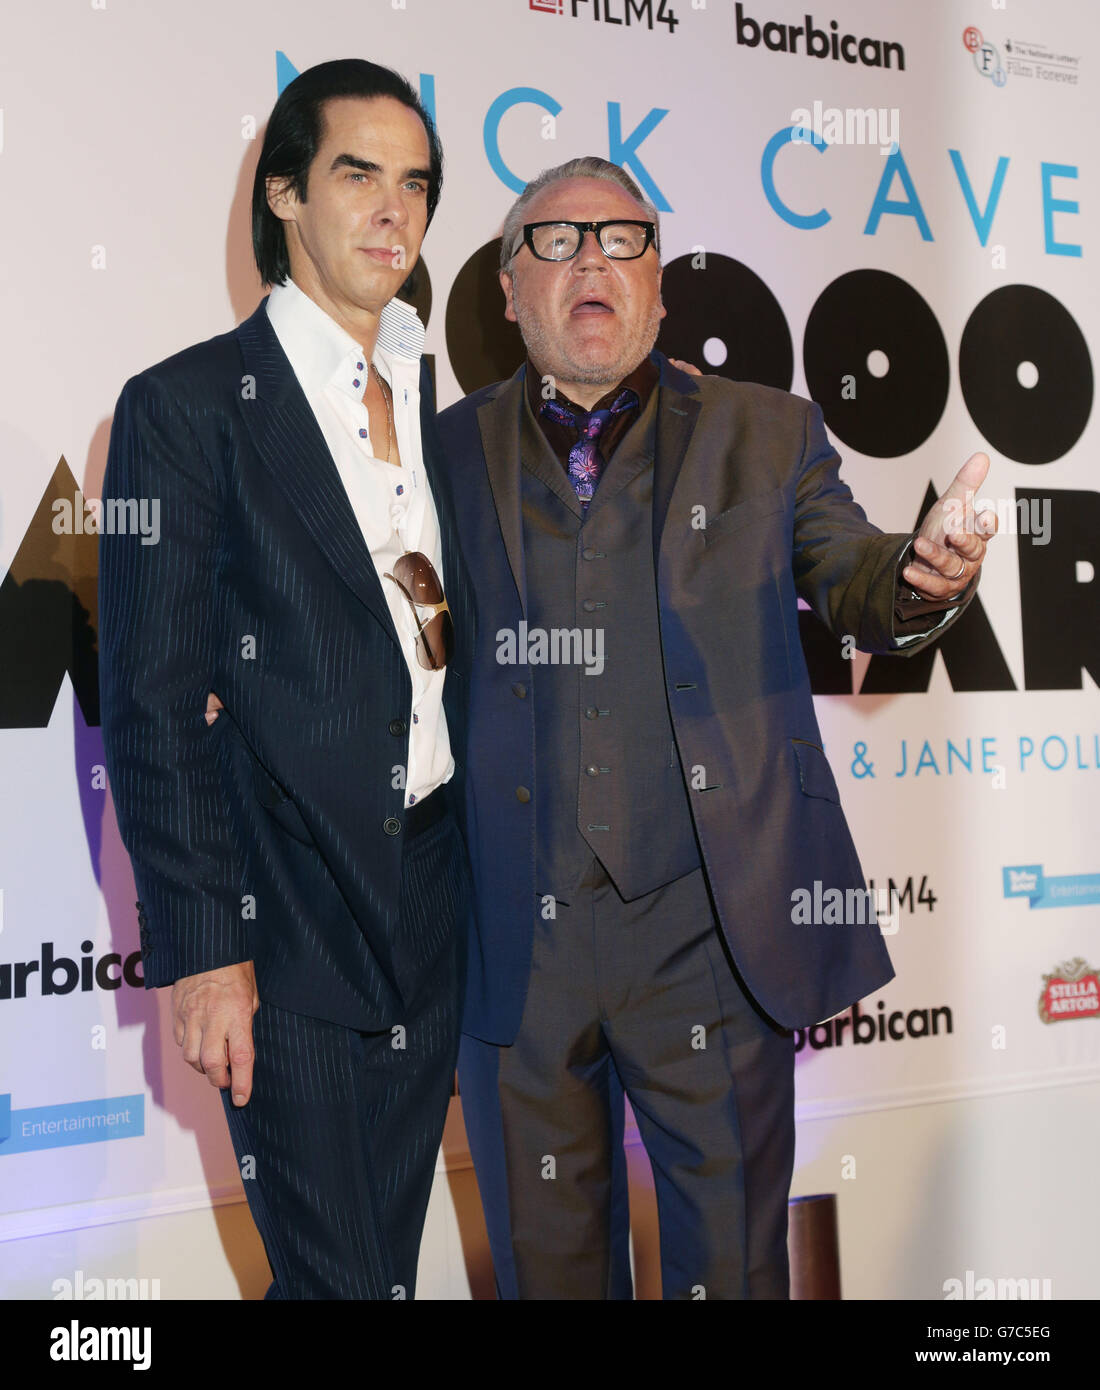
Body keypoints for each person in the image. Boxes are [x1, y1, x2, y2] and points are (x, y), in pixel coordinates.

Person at [437, 155, 996, 1300]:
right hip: (507, 939)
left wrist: (923, 576)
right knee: (545, 1274)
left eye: (623, 239)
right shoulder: (438, 453)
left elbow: (849, 574)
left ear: (658, 284)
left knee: (734, 1269)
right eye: (555, 240)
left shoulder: (767, 431)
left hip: (712, 935)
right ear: (506, 289)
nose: (592, 258)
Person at [99, 59, 473, 1299]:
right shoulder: (186, 405)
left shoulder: (432, 394)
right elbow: (154, 703)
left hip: (432, 891)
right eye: (356, 174)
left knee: (381, 1266)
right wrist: (202, 949)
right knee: (340, 1279)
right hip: (285, 908)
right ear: (283, 199)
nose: (393, 209)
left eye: (414, 182)